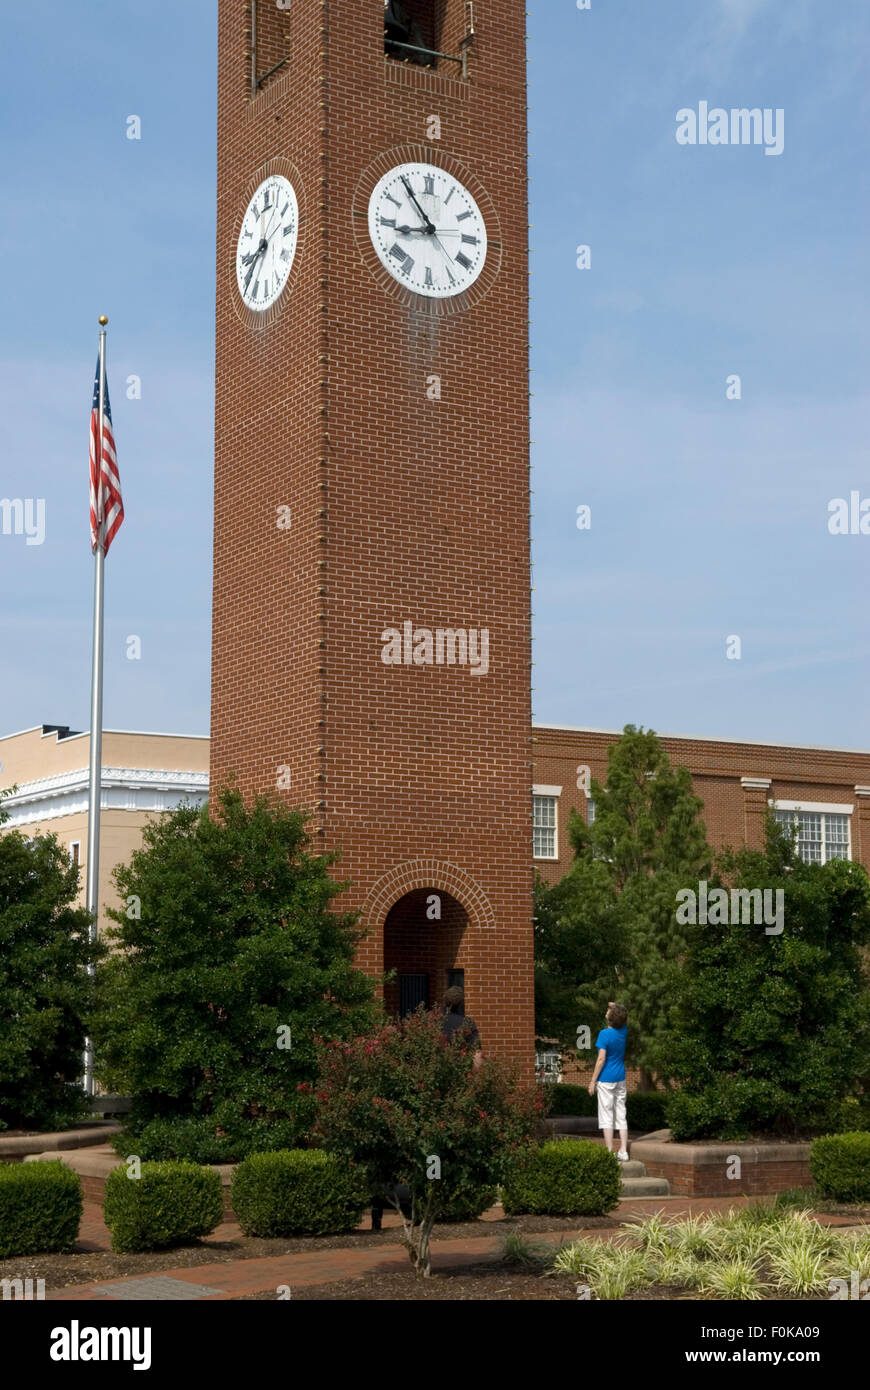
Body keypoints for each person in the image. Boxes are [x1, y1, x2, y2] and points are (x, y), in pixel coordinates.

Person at [588, 1001, 629, 1161]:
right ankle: (623, 1151)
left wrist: (592, 1081)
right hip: (621, 1077)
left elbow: (601, 1059)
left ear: (611, 1017)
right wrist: (617, 1005)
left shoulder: (604, 1034)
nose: (607, 1010)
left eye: (609, 1010)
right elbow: (624, 1014)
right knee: (621, 1114)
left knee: (606, 1115)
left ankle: (609, 1151)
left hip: (606, 1079)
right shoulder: (624, 1031)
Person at [441, 985, 483, 1068]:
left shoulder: (431, 1019)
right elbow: (477, 1055)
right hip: (459, 1072)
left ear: (444, 1000)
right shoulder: (467, 1022)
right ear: (461, 1003)